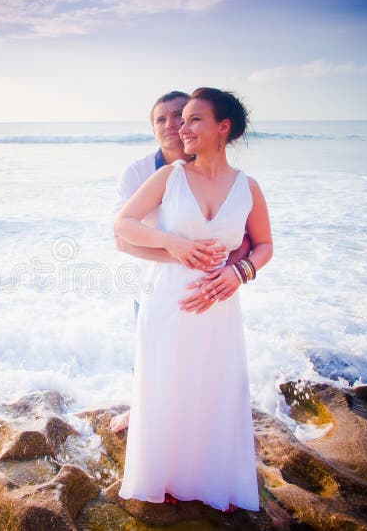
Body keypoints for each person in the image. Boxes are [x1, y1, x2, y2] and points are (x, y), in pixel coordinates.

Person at [113, 87, 272, 513]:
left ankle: (214, 479)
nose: (181, 128)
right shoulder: (167, 176)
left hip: (219, 304)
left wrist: (238, 273)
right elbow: (123, 225)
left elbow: (263, 245)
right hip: (166, 299)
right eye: (178, 120)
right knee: (164, 383)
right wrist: (174, 245)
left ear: (223, 128)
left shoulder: (248, 187)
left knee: (215, 386)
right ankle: (162, 475)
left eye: (192, 119)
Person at [110, 91, 251, 433]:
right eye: (162, 119)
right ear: (153, 129)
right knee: (152, 355)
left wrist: (229, 270)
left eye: (180, 116)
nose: (173, 124)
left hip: (208, 282)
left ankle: (201, 427)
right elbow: (121, 238)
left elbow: (244, 234)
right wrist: (179, 253)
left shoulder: (215, 169)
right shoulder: (141, 171)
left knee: (203, 359)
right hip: (154, 278)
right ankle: (142, 409)